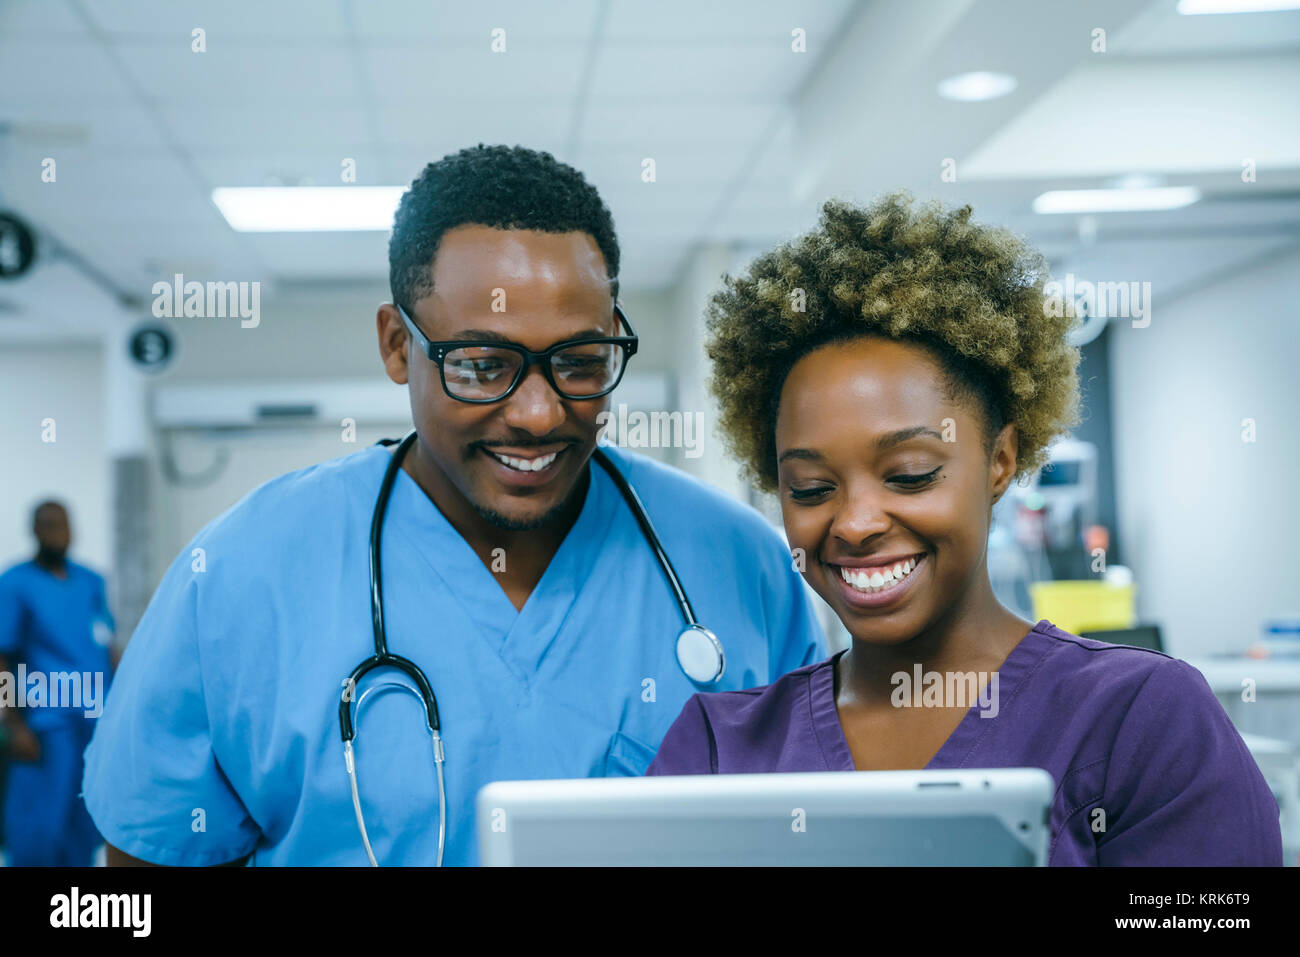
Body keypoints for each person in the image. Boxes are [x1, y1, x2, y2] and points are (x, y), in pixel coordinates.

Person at [82, 144, 825, 867]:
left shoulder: (739, 562)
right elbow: (149, 861)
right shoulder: (243, 575)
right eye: (482, 365)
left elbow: (812, 829)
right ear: (397, 345)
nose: (538, 413)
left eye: (580, 362)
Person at [647, 192, 1283, 866]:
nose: (857, 523)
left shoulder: (1141, 720)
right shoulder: (721, 746)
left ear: (1001, 459)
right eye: (811, 488)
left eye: (911, 473)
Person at [0, 500, 116, 866]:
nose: (57, 533)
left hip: (95, 721)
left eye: (63, 525)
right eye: (48, 525)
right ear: (34, 531)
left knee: (85, 822)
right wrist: (11, 722)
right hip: (45, 725)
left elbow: (107, 645)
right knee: (39, 826)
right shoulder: (15, 584)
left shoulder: (90, 581)